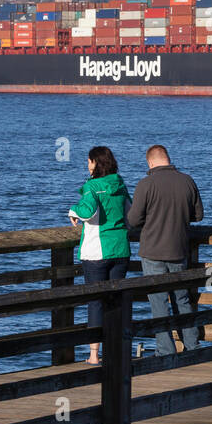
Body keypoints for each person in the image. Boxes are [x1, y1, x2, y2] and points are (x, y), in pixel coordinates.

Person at [126, 144, 204, 356]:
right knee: (182, 299)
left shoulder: (146, 184)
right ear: (168, 159)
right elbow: (199, 216)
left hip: (152, 251)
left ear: (150, 162)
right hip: (179, 249)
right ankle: (193, 346)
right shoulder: (187, 181)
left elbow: (132, 220)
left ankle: (165, 349)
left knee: (158, 301)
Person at [68, 146, 131, 366]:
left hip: (96, 251)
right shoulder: (120, 184)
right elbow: (130, 214)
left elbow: (87, 211)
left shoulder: (92, 186)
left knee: (96, 302)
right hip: (121, 249)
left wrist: (72, 211)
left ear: (95, 163)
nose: (87, 165)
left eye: (89, 161)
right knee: (116, 300)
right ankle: (117, 349)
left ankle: (95, 354)